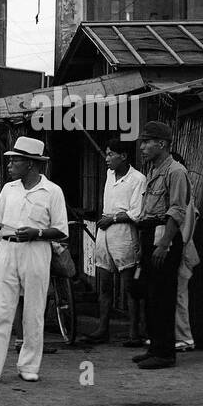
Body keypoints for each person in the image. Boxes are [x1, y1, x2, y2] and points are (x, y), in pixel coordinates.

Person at [0, 137, 68, 385]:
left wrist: (37, 233)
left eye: (15, 160)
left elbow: (60, 230)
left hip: (36, 251)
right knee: (0, 310)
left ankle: (29, 365)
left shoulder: (52, 191)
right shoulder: (9, 189)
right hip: (7, 251)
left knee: (34, 311)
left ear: (30, 164)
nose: (9, 164)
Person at [134, 121, 191, 370]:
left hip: (164, 236)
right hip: (150, 234)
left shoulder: (175, 171)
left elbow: (177, 210)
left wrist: (165, 244)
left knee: (163, 295)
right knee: (150, 294)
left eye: (147, 142)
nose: (143, 147)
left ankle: (166, 353)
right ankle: (155, 347)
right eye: (142, 142)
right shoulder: (153, 170)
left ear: (162, 144)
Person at [83, 139, 146, 345]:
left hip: (123, 232)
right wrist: (107, 219)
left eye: (111, 155)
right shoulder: (110, 175)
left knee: (130, 286)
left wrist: (115, 218)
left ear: (124, 156)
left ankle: (134, 333)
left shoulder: (138, 179)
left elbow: (137, 212)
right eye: (107, 154)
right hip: (104, 230)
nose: (107, 159)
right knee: (105, 283)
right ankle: (103, 328)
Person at [172, 151, 200, 354]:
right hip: (177, 248)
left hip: (181, 250)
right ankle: (175, 335)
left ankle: (184, 337)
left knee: (179, 296)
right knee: (173, 295)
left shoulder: (185, 195)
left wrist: (178, 248)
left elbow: (187, 227)